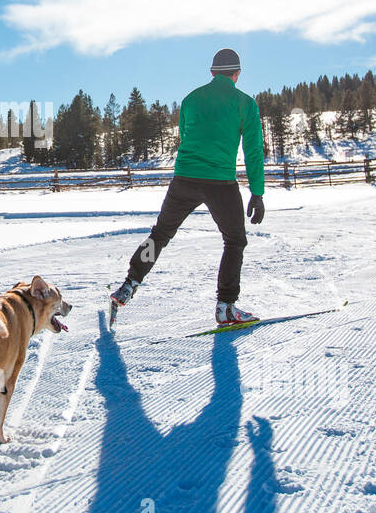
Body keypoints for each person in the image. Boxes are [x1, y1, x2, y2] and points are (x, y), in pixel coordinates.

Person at [110, 48, 265, 326]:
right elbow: (253, 151)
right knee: (234, 241)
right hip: (221, 182)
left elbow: (185, 134)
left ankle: (130, 283)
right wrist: (257, 192)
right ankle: (226, 306)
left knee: (160, 234)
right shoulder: (245, 103)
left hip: (184, 179)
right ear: (237, 74)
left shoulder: (191, 100)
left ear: (211, 72)